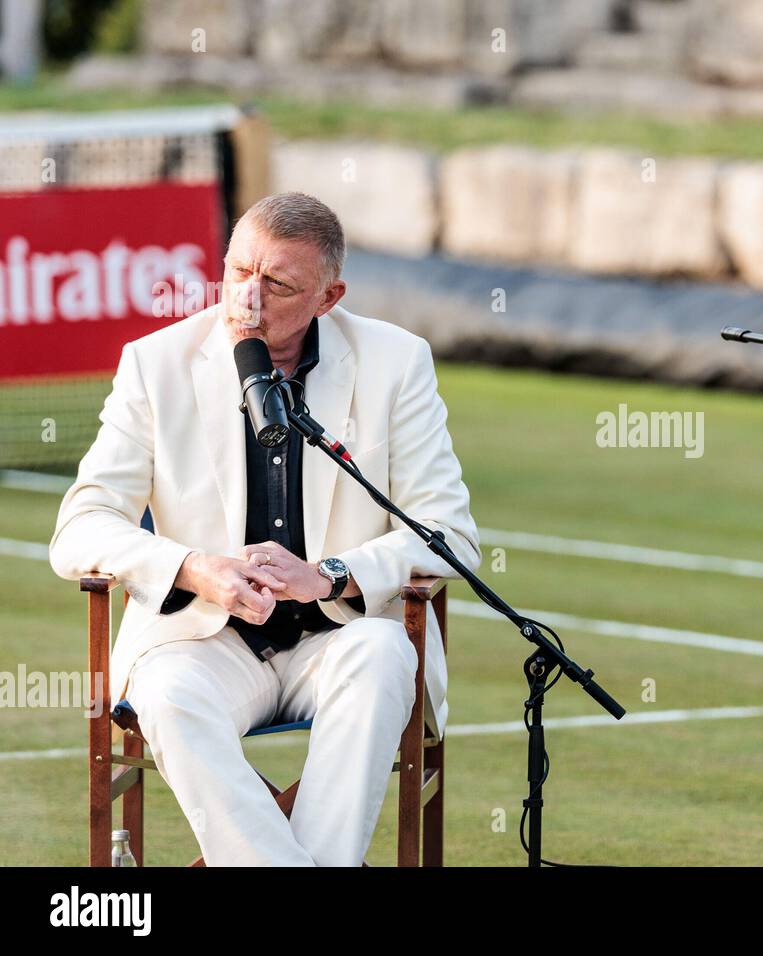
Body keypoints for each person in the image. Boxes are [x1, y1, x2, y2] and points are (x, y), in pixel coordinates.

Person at [49, 191, 480, 866]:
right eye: (239, 271)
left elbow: (448, 530)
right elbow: (80, 527)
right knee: (165, 693)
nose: (247, 299)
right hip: (203, 636)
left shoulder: (397, 362)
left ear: (328, 297)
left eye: (277, 284)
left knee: (384, 657)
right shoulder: (154, 361)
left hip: (336, 634)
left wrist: (329, 576)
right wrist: (197, 568)